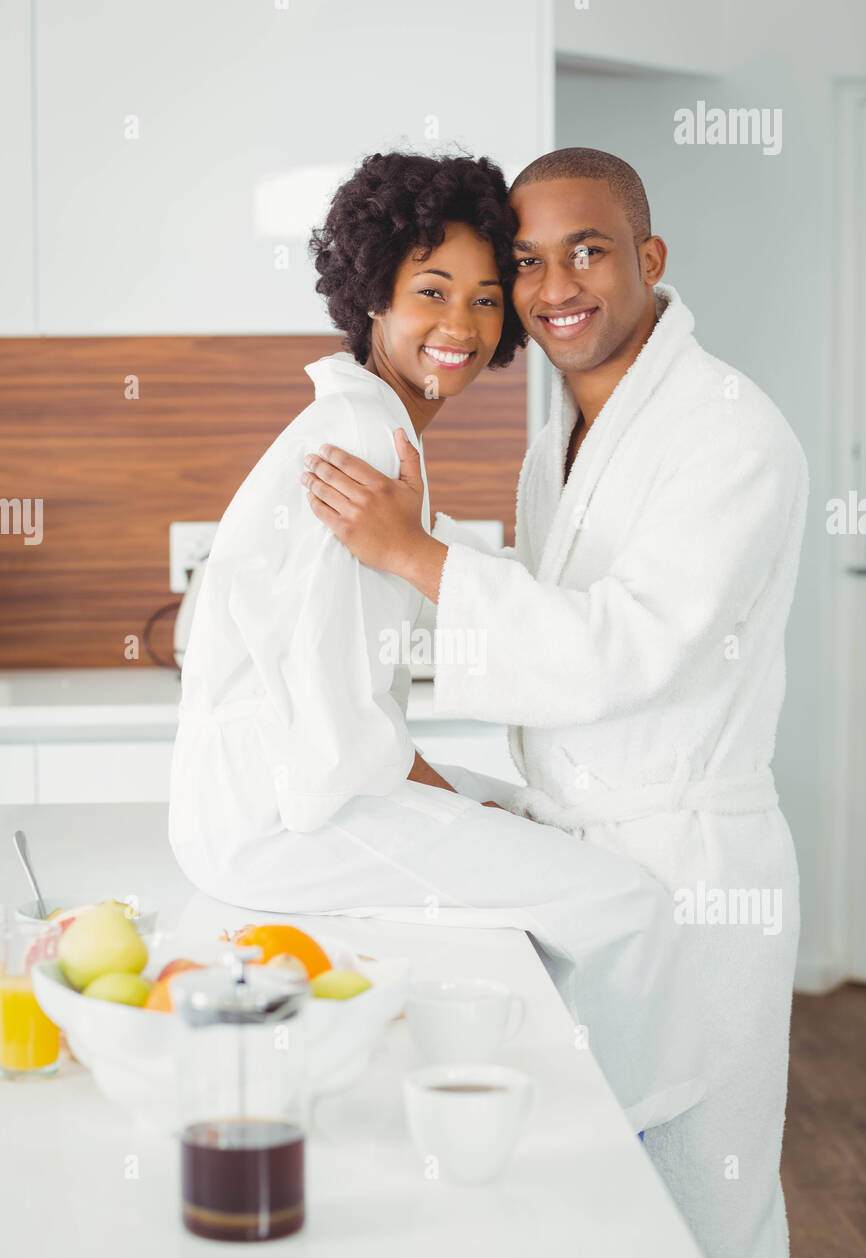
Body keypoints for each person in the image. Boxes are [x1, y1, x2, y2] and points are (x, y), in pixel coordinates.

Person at [301, 148, 808, 1258]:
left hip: (693, 876)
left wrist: (413, 554)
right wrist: (424, 765)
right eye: (522, 263)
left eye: (584, 251)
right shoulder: (558, 442)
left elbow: (617, 654)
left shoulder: (730, 433)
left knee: (708, 1225)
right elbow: (550, 640)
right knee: (598, 1211)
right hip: (593, 858)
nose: (550, 287)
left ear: (648, 258)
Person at [168, 150, 707, 1155]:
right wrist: (439, 795)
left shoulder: (365, 428)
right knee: (626, 904)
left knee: (518, 826)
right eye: (429, 293)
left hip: (274, 800)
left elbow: (316, 673)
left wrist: (454, 795)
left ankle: (538, 1097)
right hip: (281, 822)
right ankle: (616, 1156)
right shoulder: (364, 443)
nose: (458, 327)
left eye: (484, 298)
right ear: (370, 294)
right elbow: (339, 732)